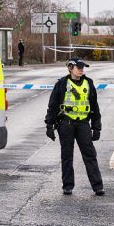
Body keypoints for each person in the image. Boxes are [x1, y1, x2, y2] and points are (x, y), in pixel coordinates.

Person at [44, 58, 104, 196]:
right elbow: (52, 106)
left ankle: (98, 186)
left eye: (83, 67)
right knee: (67, 156)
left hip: (83, 124)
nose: (82, 69)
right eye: (79, 67)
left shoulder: (89, 83)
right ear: (70, 68)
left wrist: (96, 127)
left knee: (90, 155)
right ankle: (67, 186)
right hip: (66, 124)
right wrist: (49, 125)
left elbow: (94, 106)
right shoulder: (62, 83)